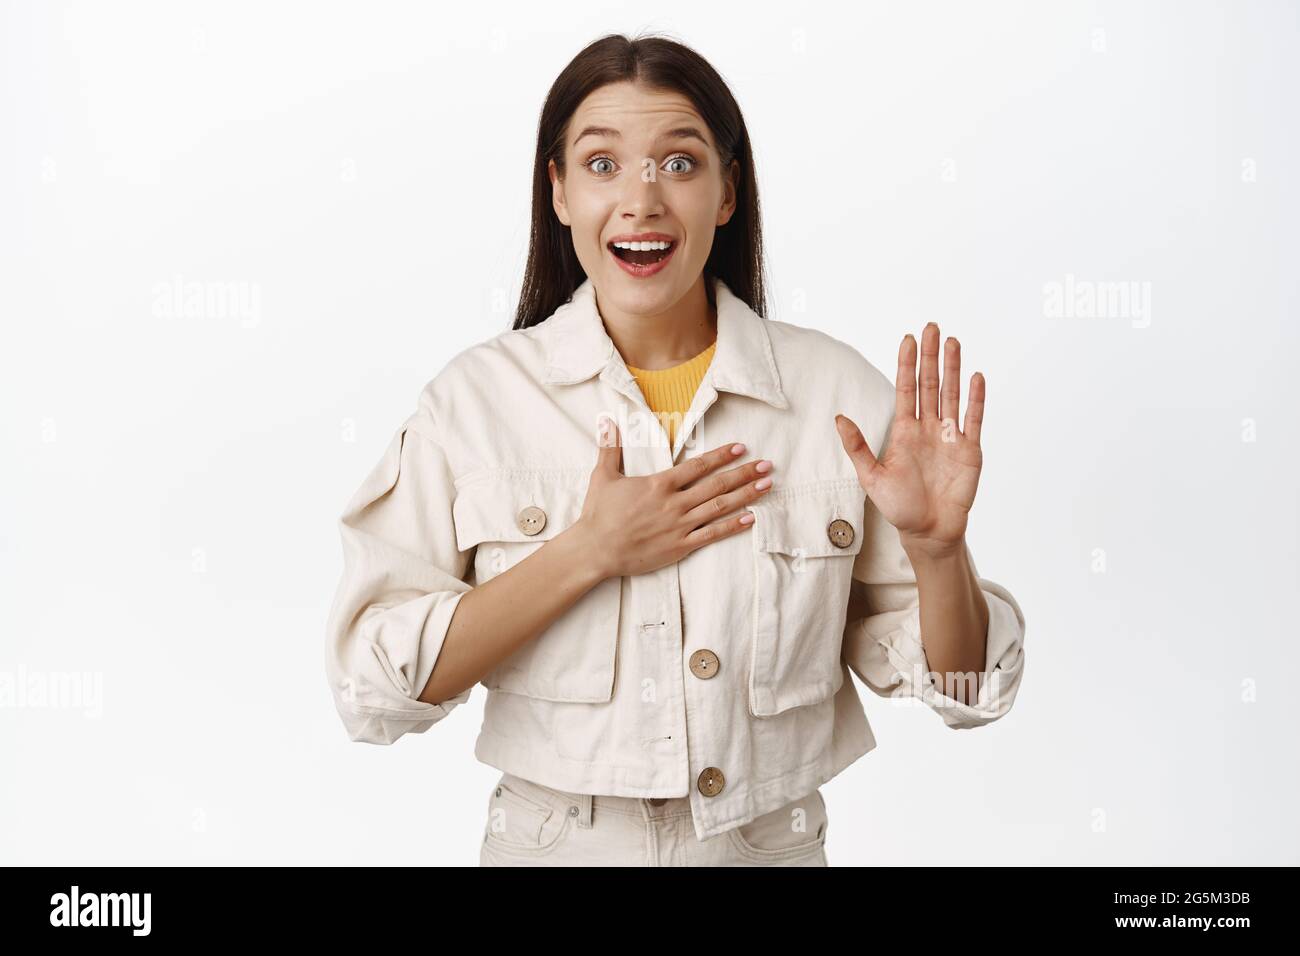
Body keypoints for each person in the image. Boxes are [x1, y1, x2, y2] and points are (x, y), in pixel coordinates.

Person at [324, 33, 1026, 867]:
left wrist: (938, 552)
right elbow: (373, 693)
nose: (642, 200)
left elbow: (966, 693)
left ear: (728, 192)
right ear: (557, 191)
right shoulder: (476, 404)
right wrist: (588, 552)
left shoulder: (836, 399)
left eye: (681, 164)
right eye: (602, 164)